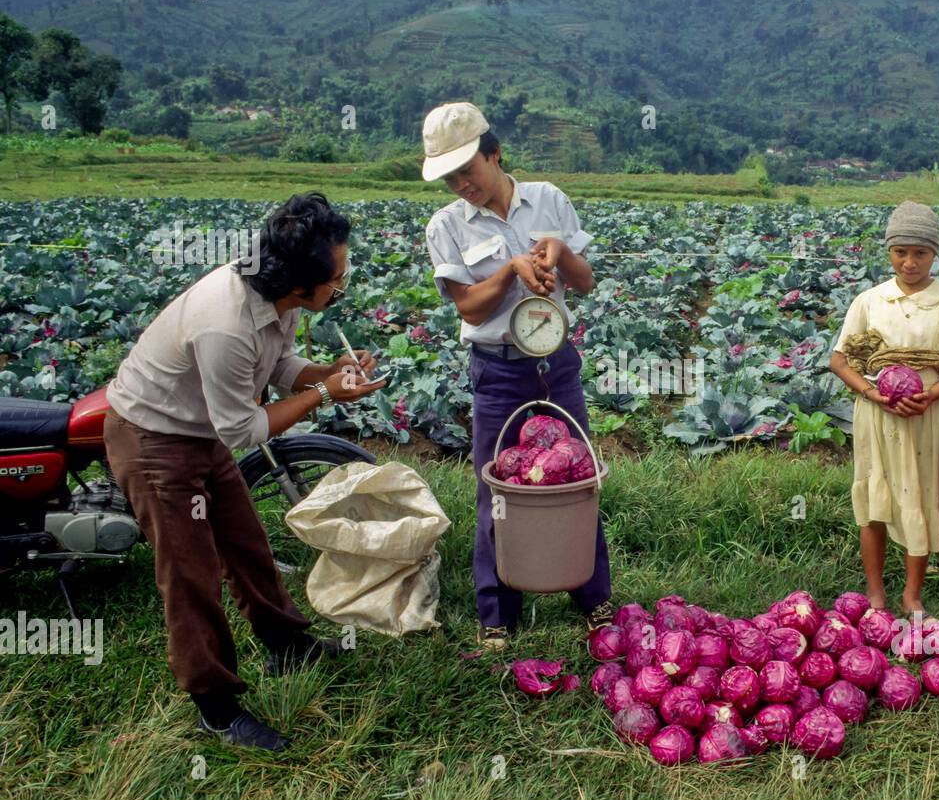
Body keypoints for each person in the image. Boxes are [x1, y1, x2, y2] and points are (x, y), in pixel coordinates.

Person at [104, 192, 385, 751]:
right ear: (300, 283)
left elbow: (277, 366)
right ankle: (216, 705)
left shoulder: (276, 295)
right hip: (154, 437)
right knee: (191, 573)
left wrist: (329, 371)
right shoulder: (225, 322)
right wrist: (325, 394)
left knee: (246, 543)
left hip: (201, 428)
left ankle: (286, 644)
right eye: (337, 280)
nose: (341, 286)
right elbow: (243, 432)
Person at [421, 101, 613, 650]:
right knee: (496, 489)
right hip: (498, 372)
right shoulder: (447, 226)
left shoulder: (548, 199)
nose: (461, 185)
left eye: (468, 170)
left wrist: (555, 250)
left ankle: (594, 600)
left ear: (495, 153)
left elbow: (584, 281)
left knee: (578, 478)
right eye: (449, 177)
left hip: (557, 364)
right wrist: (510, 269)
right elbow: (471, 309)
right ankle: (497, 612)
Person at [830, 201, 939, 619]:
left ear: (935, 254)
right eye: (900, 252)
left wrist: (934, 394)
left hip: (925, 417)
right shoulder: (870, 301)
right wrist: (871, 392)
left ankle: (912, 596)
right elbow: (840, 360)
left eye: (920, 253)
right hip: (876, 415)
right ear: (888, 252)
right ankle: (875, 594)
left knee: (919, 496)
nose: (909, 262)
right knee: (874, 500)